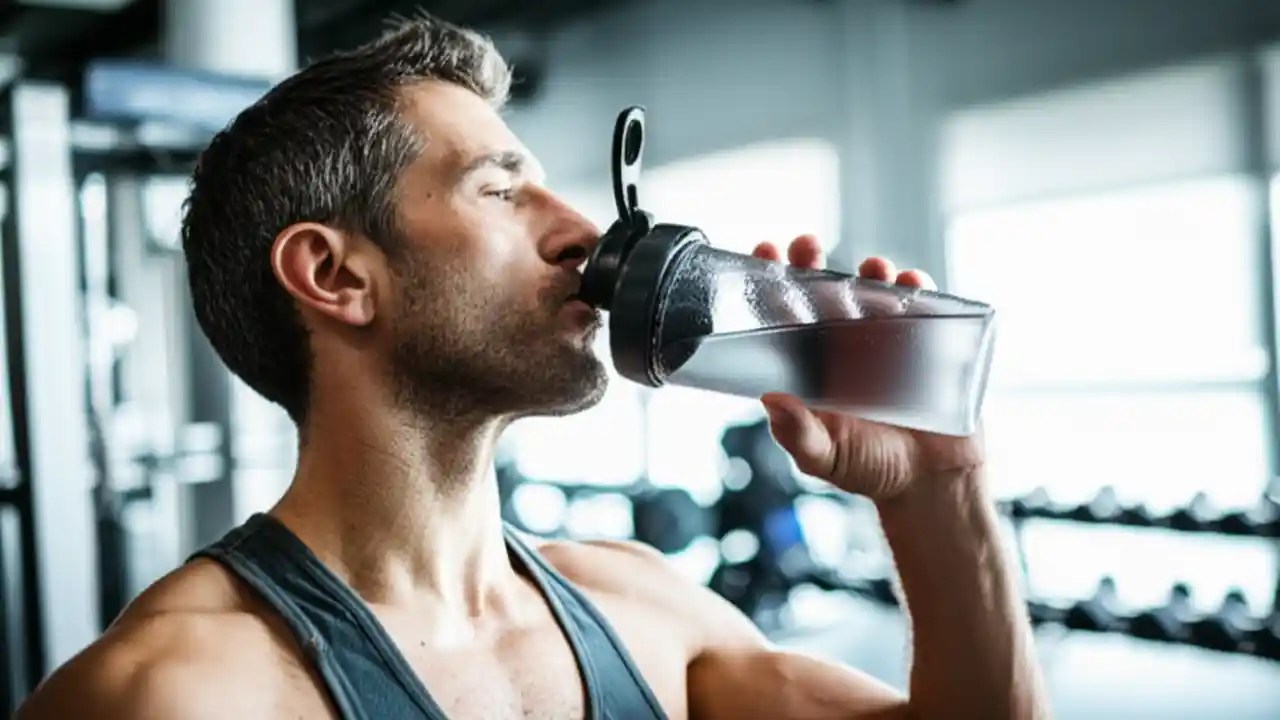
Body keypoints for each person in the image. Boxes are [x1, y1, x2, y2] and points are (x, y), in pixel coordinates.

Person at [17, 13, 1049, 720]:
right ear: (335, 275)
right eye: (499, 190)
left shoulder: (645, 608)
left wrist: (937, 492)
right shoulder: (181, 691)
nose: (580, 232)